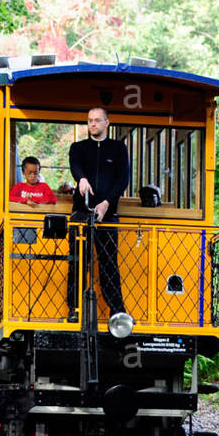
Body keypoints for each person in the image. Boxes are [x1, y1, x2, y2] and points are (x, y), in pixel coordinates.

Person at [67, 107, 129, 322]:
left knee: (109, 262)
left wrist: (106, 203)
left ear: (107, 123)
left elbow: (123, 179)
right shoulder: (78, 147)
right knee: (77, 260)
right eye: (90, 120)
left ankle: (116, 310)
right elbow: (75, 165)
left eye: (97, 120)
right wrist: (81, 178)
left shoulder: (118, 148)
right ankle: (74, 308)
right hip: (81, 213)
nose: (93, 124)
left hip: (108, 214)